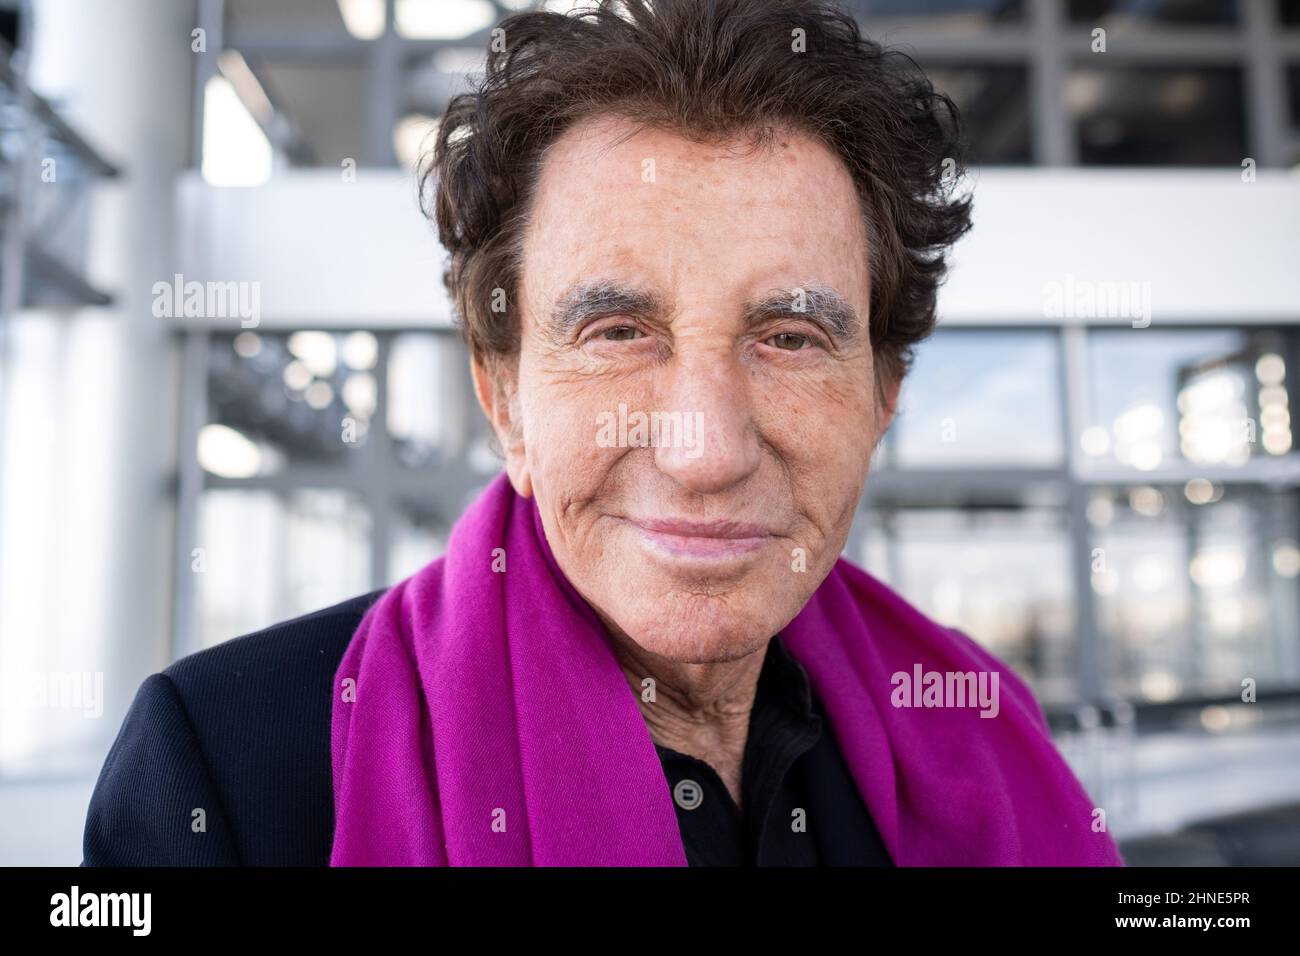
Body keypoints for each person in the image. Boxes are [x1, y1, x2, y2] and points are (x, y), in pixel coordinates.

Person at [83, 0, 1123, 867]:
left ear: (883, 390)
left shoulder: (980, 726)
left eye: (791, 336)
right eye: (619, 332)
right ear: (504, 398)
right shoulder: (220, 771)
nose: (704, 449)